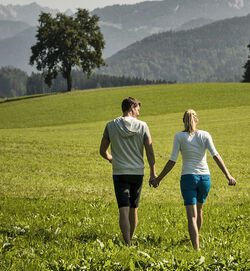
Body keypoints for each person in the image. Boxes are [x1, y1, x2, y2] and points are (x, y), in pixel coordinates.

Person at [151, 108, 235, 250]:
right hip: (205, 178)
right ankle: (196, 239)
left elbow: (172, 161)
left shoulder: (179, 137)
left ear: (183, 120)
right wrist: (228, 175)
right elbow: (216, 155)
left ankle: (196, 248)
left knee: (191, 216)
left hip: (188, 178)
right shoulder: (205, 135)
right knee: (199, 210)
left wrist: (159, 178)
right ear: (197, 119)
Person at [99, 96, 155, 245]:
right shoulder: (143, 126)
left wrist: (110, 158)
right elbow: (150, 151)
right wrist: (153, 172)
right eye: (137, 110)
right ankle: (130, 239)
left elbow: (102, 150)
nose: (138, 113)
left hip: (120, 173)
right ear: (131, 107)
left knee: (123, 210)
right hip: (137, 173)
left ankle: (127, 242)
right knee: (133, 209)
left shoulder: (110, 125)